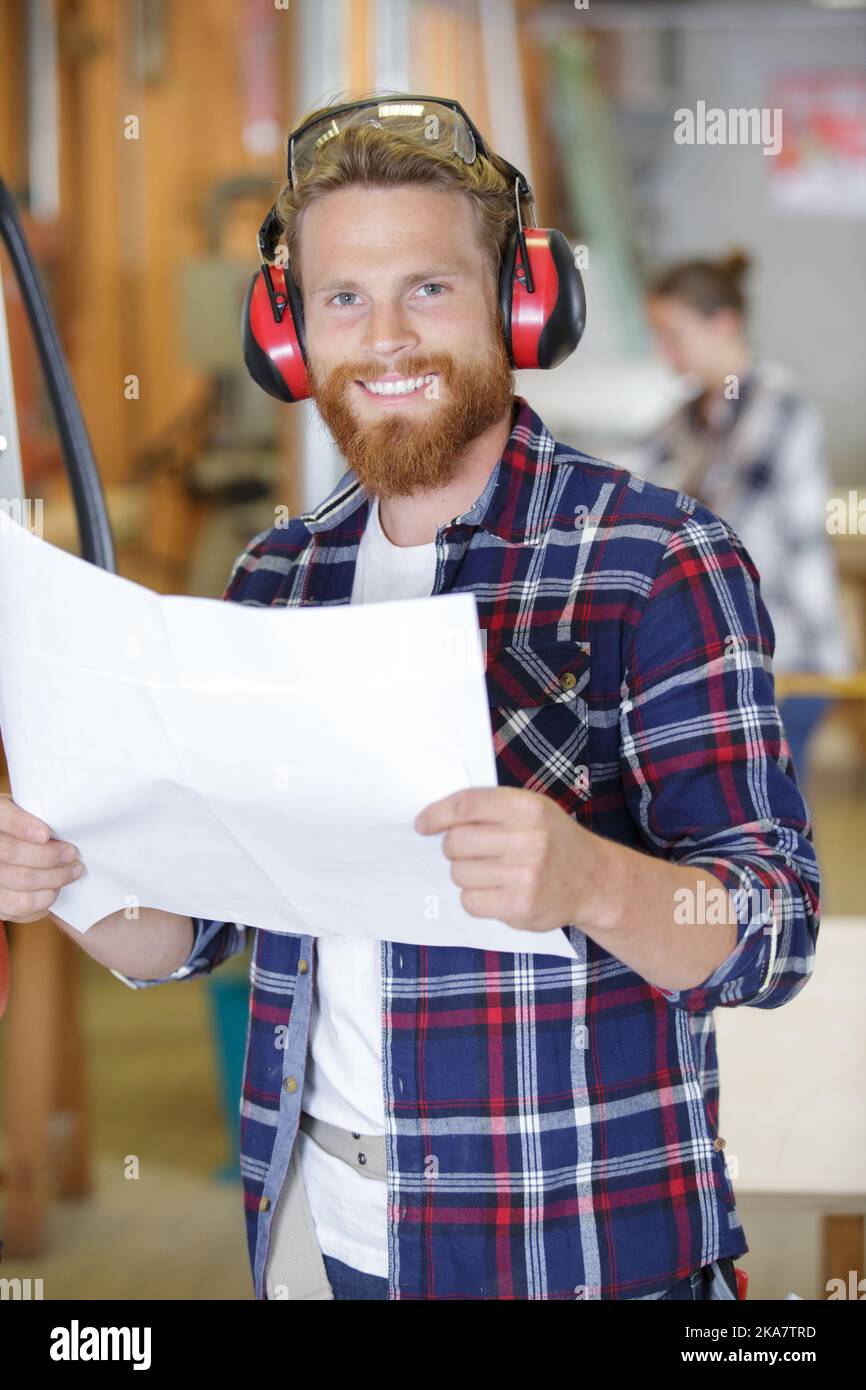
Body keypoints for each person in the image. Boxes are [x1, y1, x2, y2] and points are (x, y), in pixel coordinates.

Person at [2, 96, 819, 1301]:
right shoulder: (277, 579)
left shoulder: (654, 558)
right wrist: (70, 880)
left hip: (572, 1251)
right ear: (288, 337)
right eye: (342, 299)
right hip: (316, 1232)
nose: (384, 339)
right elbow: (207, 932)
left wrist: (591, 879)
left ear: (518, 306)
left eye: (428, 290)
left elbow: (770, 935)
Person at [620, 250, 850, 788]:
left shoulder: (777, 406)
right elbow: (626, 475)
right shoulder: (695, 411)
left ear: (723, 324)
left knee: (774, 822)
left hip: (792, 654)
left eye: (673, 334)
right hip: (739, 652)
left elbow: (717, 527)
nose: (664, 351)